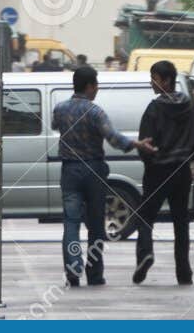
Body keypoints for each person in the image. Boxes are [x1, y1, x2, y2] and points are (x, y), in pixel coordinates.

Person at [53, 65, 154, 288]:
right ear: (89, 86)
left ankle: (73, 270)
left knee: (71, 222)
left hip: (69, 171)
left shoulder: (59, 109)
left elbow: (54, 125)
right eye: (96, 85)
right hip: (93, 170)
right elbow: (113, 137)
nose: (97, 89)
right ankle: (94, 273)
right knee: (96, 224)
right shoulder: (95, 112)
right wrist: (136, 144)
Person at [132, 60, 194, 287]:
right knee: (181, 222)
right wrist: (189, 160)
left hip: (158, 171)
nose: (152, 83)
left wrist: (150, 161)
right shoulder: (189, 106)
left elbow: (145, 143)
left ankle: (145, 254)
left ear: (166, 80)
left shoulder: (155, 108)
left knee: (145, 216)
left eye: (155, 79)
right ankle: (184, 272)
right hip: (182, 172)